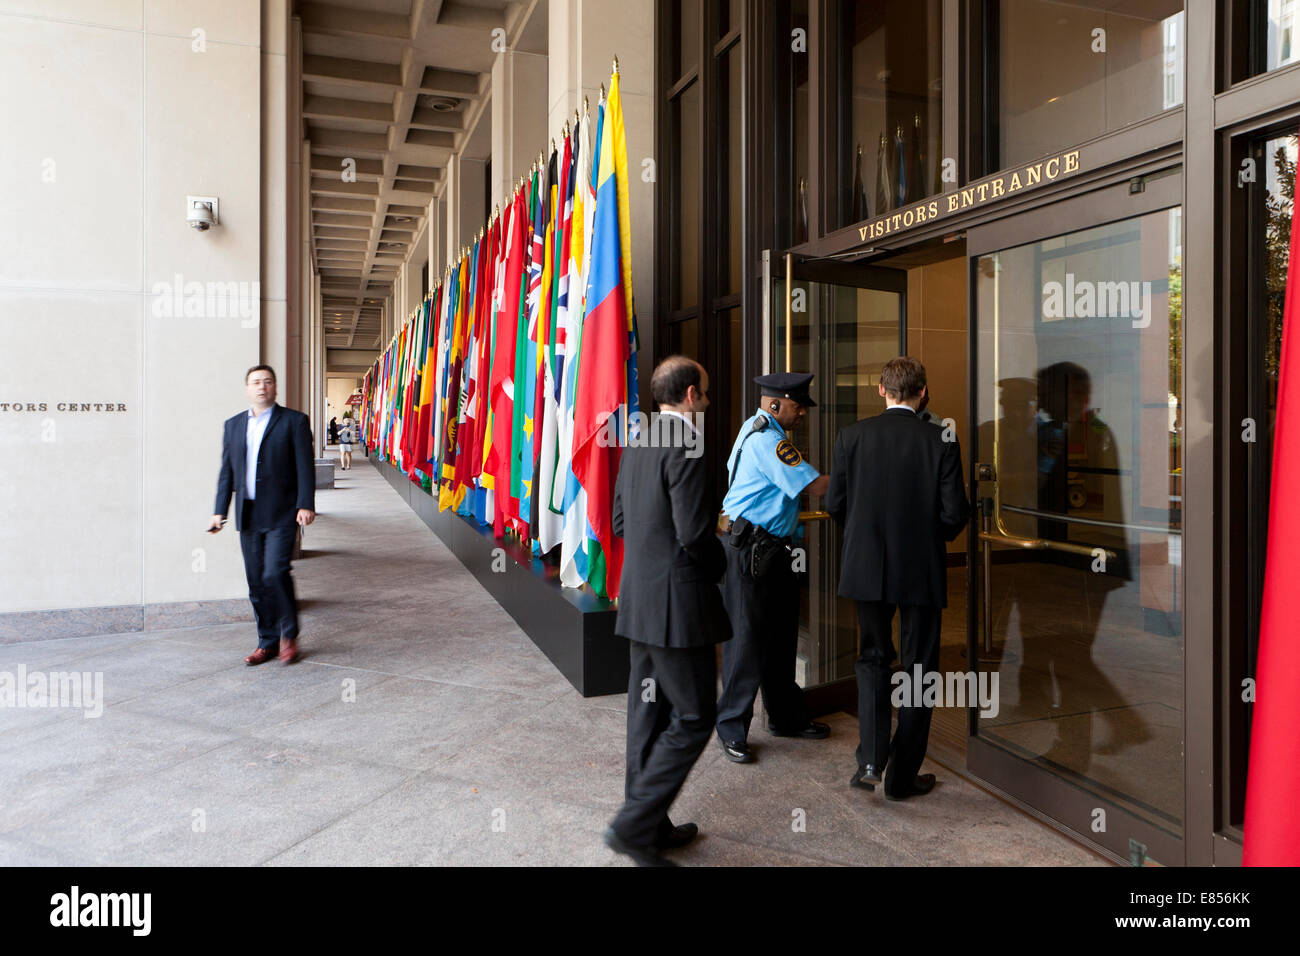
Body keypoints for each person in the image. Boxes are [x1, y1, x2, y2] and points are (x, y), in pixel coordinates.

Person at [604, 356, 731, 867]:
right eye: (705, 393)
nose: (708, 402)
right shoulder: (687, 442)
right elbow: (694, 532)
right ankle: (633, 827)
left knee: (647, 714)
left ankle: (648, 824)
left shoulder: (639, 440)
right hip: (678, 607)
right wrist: (720, 563)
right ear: (690, 395)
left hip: (640, 598)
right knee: (697, 714)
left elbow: (618, 520)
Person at [825, 356, 969, 800]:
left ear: (881, 391)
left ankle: (871, 758)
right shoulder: (941, 439)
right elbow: (954, 514)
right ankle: (902, 775)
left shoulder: (852, 436)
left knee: (871, 658)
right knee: (919, 667)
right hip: (921, 569)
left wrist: (866, 536)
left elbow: (835, 504)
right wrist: (928, 538)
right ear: (923, 392)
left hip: (866, 567)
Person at [715, 371, 831, 764]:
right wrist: (863, 474)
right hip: (750, 550)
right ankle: (731, 727)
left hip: (772, 550)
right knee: (746, 641)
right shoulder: (768, 441)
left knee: (780, 639)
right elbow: (814, 486)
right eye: (798, 407)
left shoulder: (757, 428)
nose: (802, 415)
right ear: (776, 403)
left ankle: (786, 717)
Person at [209, 365, 317, 666]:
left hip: (282, 513)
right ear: (247, 388)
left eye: (267, 382)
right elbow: (226, 472)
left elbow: (304, 467)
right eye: (256, 382)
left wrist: (305, 504)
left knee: (274, 572)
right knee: (256, 581)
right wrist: (219, 511)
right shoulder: (233, 426)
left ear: (275, 387)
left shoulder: (294, 421)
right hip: (249, 515)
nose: (262, 387)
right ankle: (266, 641)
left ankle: (289, 633)